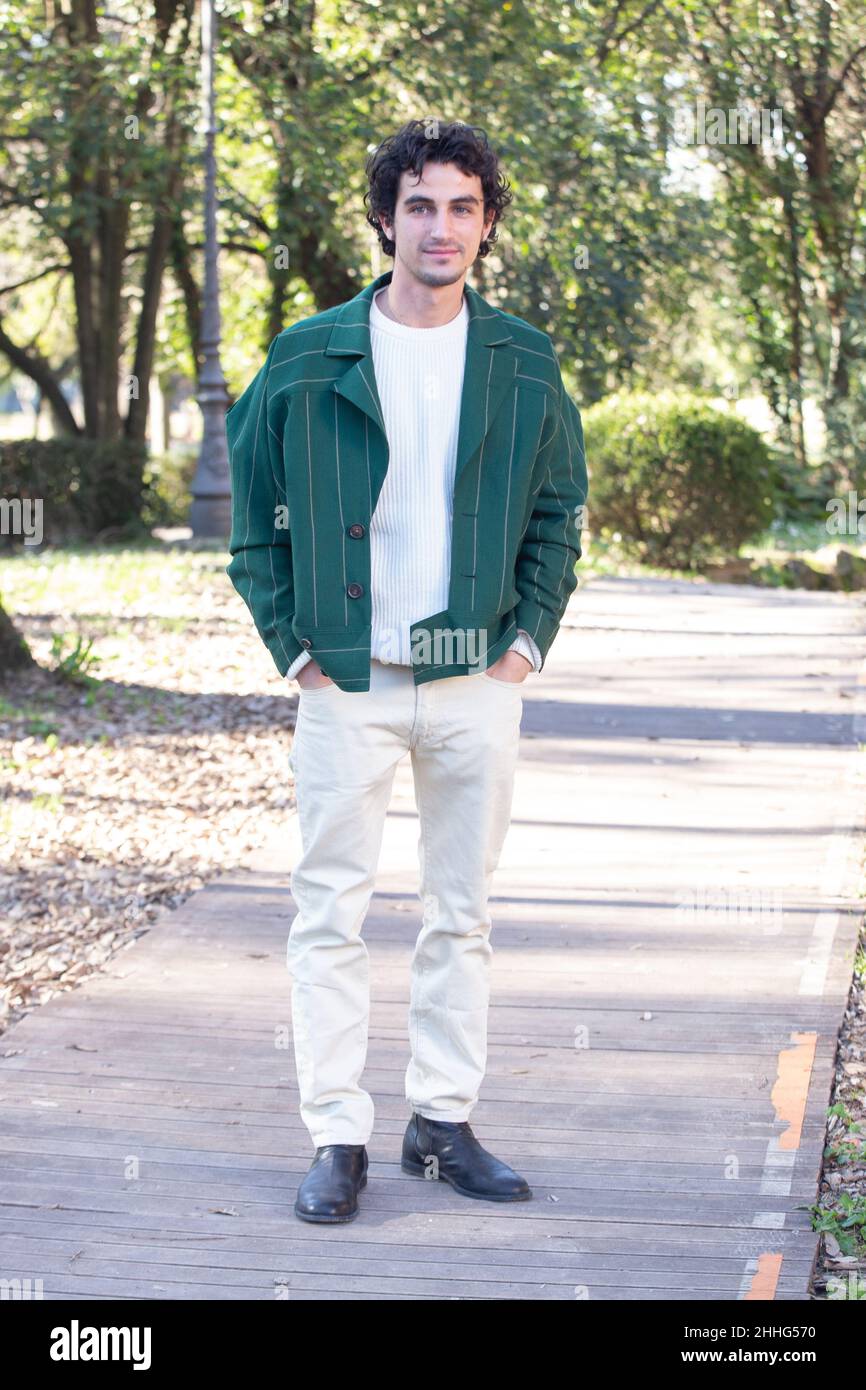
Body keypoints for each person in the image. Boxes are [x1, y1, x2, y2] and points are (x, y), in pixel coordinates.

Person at [225, 118, 588, 1224]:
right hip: (350, 677)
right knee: (329, 910)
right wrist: (293, 645)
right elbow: (252, 521)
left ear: (486, 221)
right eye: (419, 205)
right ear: (386, 218)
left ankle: (440, 1120)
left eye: (462, 206)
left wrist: (525, 640)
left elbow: (558, 507)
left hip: (474, 674)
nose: (441, 227)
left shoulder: (521, 356)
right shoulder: (305, 352)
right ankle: (337, 1133)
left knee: (458, 911)